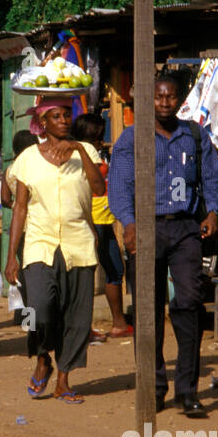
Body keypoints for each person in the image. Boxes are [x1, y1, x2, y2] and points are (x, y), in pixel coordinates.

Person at [108, 76, 218, 417]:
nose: (163, 102)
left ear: (178, 100)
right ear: (149, 100)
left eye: (170, 96)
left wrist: (213, 212)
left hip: (186, 230)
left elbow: (213, 177)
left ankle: (187, 391)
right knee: (148, 309)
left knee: (188, 303)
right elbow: (119, 184)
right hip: (145, 230)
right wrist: (129, 223)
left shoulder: (195, 135)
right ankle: (154, 387)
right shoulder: (132, 138)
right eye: (158, 96)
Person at [5, 99, 102, 403]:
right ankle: (42, 356)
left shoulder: (85, 151)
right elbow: (19, 207)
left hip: (79, 243)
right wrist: (12, 255)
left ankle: (63, 380)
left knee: (78, 316)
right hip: (39, 243)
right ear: (42, 123)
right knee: (38, 309)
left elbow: (99, 188)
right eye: (56, 117)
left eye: (66, 116)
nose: (63, 121)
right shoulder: (28, 159)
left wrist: (80, 151)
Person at [73, 112, 131, 341]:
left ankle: (117, 324)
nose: (101, 140)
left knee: (113, 270)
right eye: (98, 135)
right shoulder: (85, 152)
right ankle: (85, 328)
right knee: (92, 274)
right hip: (92, 221)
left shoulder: (86, 151)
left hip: (103, 221)